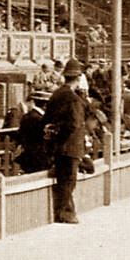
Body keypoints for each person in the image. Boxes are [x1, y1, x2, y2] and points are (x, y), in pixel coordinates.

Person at [43, 58, 87, 223]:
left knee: (63, 179)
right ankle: (65, 213)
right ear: (78, 78)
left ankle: (66, 211)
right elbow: (75, 124)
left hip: (58, 145)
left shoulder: (56, 95)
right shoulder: (74, 99)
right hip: (71, 145)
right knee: (69, 181)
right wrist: (62, 136)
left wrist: (54, 135)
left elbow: (47, 119)